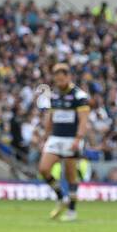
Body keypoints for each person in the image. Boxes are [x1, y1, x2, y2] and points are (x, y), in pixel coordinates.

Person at [37, 63, 90, 222]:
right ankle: (61, 197)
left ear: (68, 76)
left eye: (62, 77)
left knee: (70, 175)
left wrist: (78, 139)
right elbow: (50, 117)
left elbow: (83, 120)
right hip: (55, 138)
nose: (59, 81)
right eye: (56, 78)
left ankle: (72, 211)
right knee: (44, 169)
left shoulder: (79, 96)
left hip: (71, 139)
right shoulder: (53, 95)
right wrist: (45, 136)